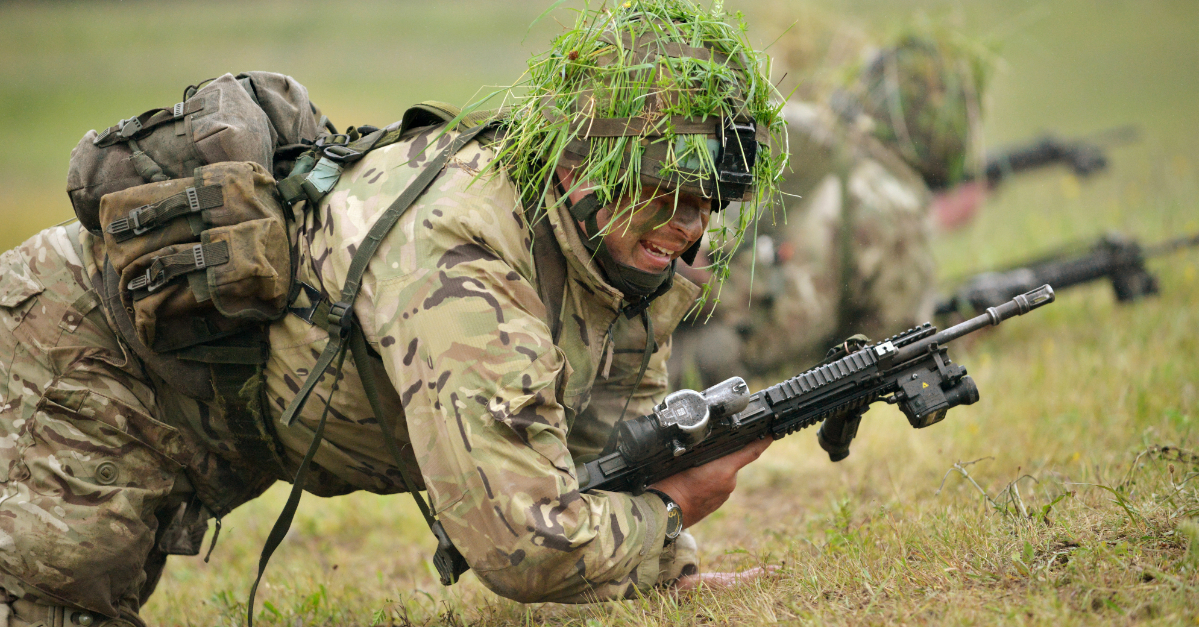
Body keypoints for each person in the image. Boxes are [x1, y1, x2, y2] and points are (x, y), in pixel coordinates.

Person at [0, 1, 790, 624]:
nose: (690, 225)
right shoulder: (463, 256)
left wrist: (669, 570)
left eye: (711, 202)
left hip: (211, 405)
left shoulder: (613, 253)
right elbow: (524, 546)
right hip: (77, 354)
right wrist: (675, 505)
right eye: (665, 191)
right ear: (584, 168)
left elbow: (600, 451)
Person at [671, 33, 988, 388]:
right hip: (716, 351)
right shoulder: (891, 201)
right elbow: (900, 344)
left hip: (659, 319)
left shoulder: (792, 125)